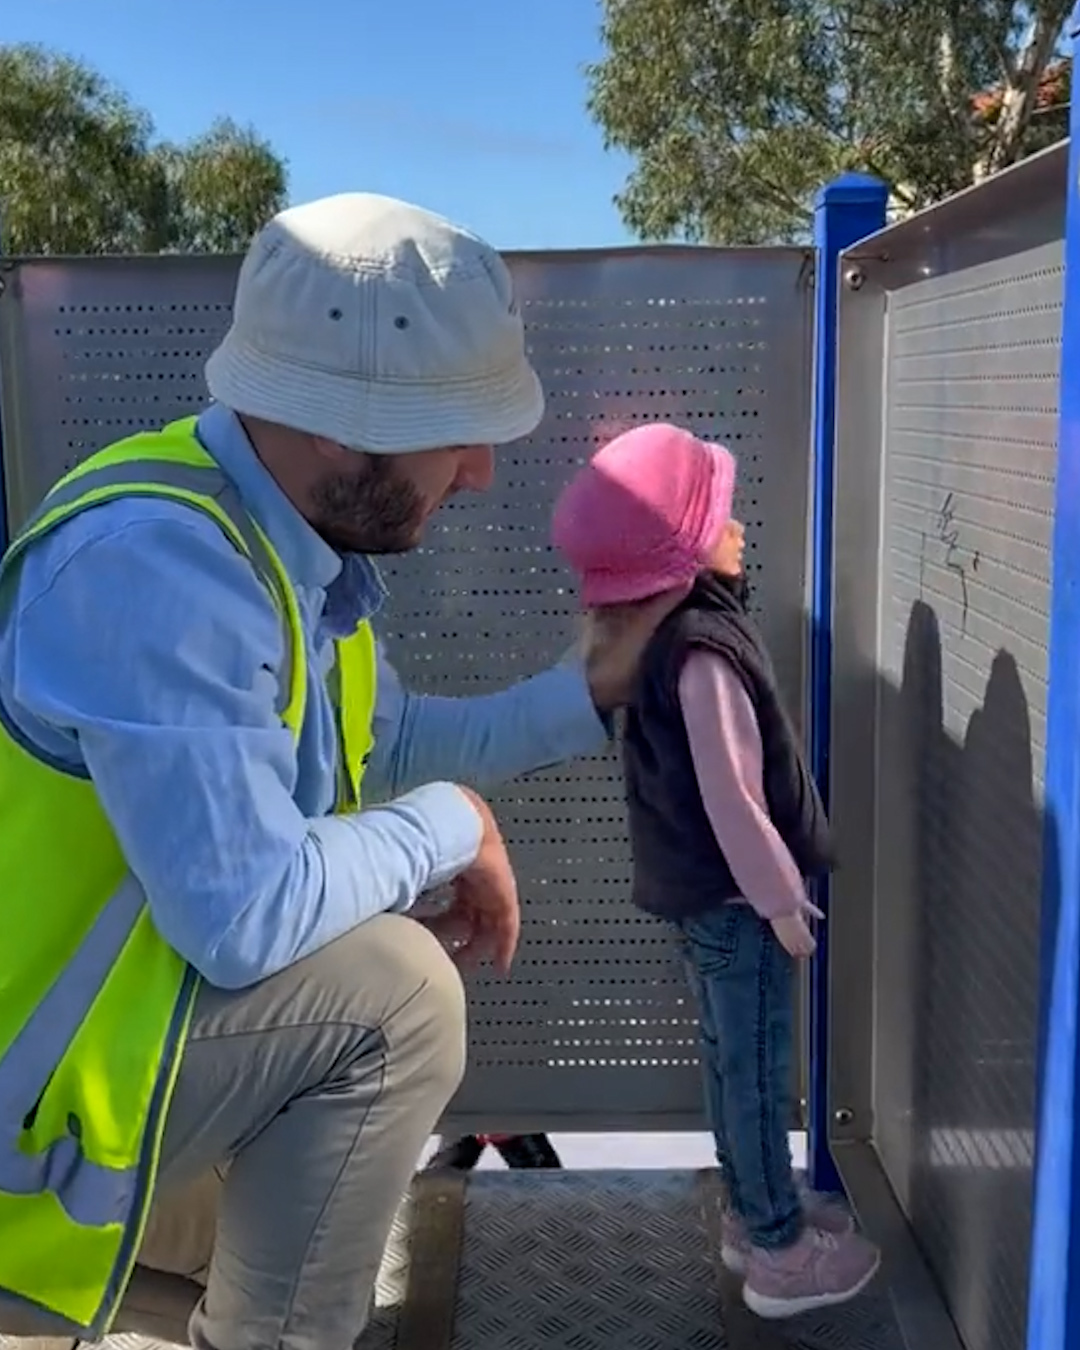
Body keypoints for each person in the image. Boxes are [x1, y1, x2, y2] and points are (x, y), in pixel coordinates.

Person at [0, 193, 675, 1350]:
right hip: (39, 1094)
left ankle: (204, 1258)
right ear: (329, 424)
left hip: (115, 1051)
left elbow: (393, 748)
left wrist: (595, 690)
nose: (476, 476)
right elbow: (245, 914)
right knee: (396, 994)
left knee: (354, 1034)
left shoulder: (284, 551)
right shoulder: (157, 567)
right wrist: (451, 827)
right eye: (456, 432)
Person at [551, 423, 882, 1320]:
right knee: (758, 1071)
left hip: (706, 902)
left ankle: (753, 1208)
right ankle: (778, 1251)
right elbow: (735, 798)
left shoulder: (655, 641)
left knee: (729, 1063)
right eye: (725, 516)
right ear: (687, 549)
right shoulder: (703, 649)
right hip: (741, 905)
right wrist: (783, 901)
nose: (741, 529)